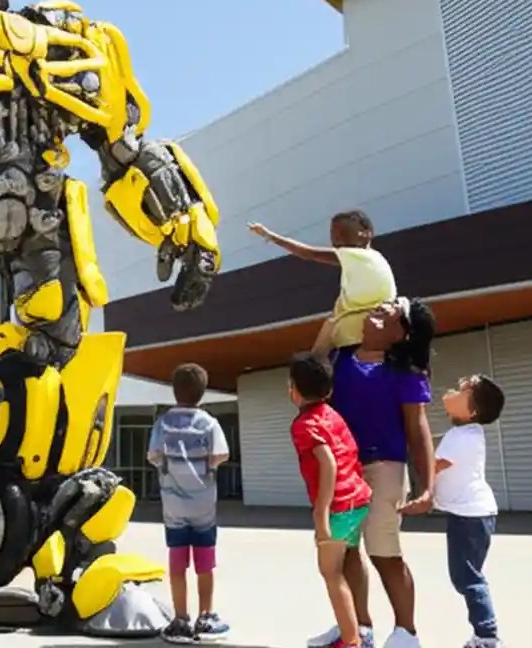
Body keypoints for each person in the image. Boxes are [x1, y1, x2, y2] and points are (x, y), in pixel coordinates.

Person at [308, 298, 437, 648]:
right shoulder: (340, 358)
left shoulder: (404, 370)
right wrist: (331, 325)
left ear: (401, 332)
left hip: (384, 468)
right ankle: (359, 628)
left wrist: (428, 487)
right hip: (343, 470)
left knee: (384, 552)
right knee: (347, 549)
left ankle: (406, 633)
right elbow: (307, 376)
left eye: (392, 309)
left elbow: (417, 427)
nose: (380, 307)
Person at [288, 352, 373, 648]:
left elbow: (328, 464)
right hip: (358, 501)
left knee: (331, 573)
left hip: (337, 507)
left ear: (293, 389)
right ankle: (356, 633)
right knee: (347, 561)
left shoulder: (303, 425)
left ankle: (351, 641)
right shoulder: (333, 415)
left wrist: (321, 513)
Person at [147, 363, 232, 643]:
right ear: (202, 392)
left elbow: (154, 455)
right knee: (205, 562)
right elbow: (222, 454)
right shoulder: (209, 423)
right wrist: (205, 464)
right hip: (203, 505)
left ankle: (180, 619)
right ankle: (205, 616)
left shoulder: (163, 422)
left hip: (173, 506)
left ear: (174, 391)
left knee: (177, 563)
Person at [247, 210, 396, 354]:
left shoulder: (354, 254)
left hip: (357, 333)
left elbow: (308, 253)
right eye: (333, 236)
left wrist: (270, 236)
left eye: (343, 234)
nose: (336, 241)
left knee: (320, 352)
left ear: (366, 233)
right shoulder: (374, 258)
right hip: (378, 326)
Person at [434, 374, 507, 648]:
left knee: (467, 577)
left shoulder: (461, 436)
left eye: (465, 388)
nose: (457, 386)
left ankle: (487, 636)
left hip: (470, 516)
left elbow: (433, 466)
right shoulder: (467, 433)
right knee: (466, 576)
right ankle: (485, 635)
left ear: (472, 411)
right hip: (472, 514)